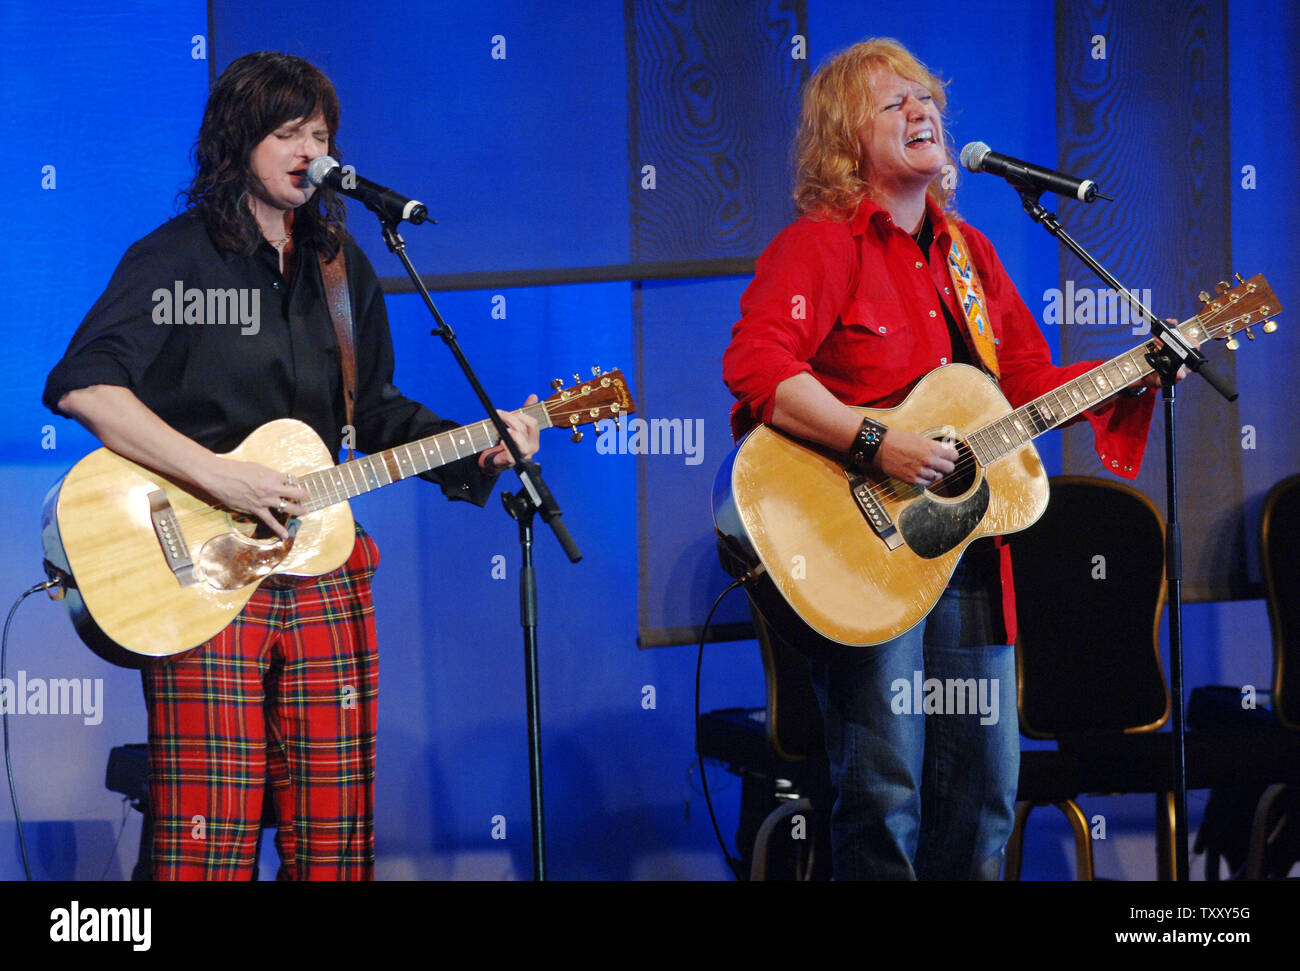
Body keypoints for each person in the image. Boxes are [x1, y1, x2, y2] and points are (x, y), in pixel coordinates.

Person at [42, 52, 539, 880]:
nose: (311, 151)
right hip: (199, 572)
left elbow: (372, 409)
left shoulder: (343, 269)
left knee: (336, 834)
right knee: (211, 834)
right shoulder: (177, 261)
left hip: (320, 569)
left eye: (321, 134)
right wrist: (216, 475)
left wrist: (478, 443)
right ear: (240, 144)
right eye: (288, 133)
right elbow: (85, 386)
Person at [722, 38, 1170, 879]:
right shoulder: (819, 246)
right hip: (865, 559)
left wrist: (1134, 368)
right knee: (884, 798)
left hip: (969, 555)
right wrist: (876, 439)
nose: (923, 111)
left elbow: (1028, 389)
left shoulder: (970, 255)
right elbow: (758, 369)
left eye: (927, 99)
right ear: (845, 138)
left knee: (983, 796)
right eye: (895, 104)